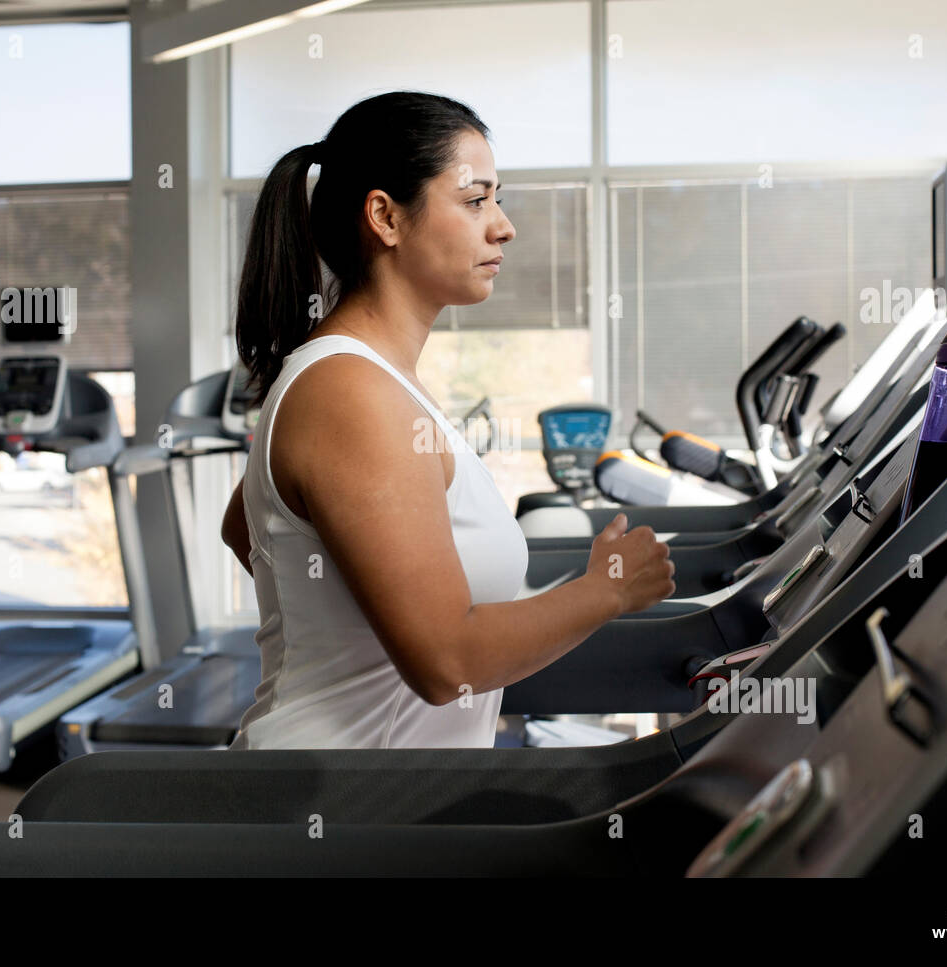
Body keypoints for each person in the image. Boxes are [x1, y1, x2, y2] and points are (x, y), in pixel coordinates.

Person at [220, 91, 674, 749]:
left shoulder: (373, 381)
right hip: (333, 817)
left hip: (393, 801)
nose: (503, 226)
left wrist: (336, 619)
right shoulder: (351, 393)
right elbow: (447, 662)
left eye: (497, 199)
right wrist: (606, 589)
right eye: (475, 200)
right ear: (385, 217)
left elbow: (248, 525)